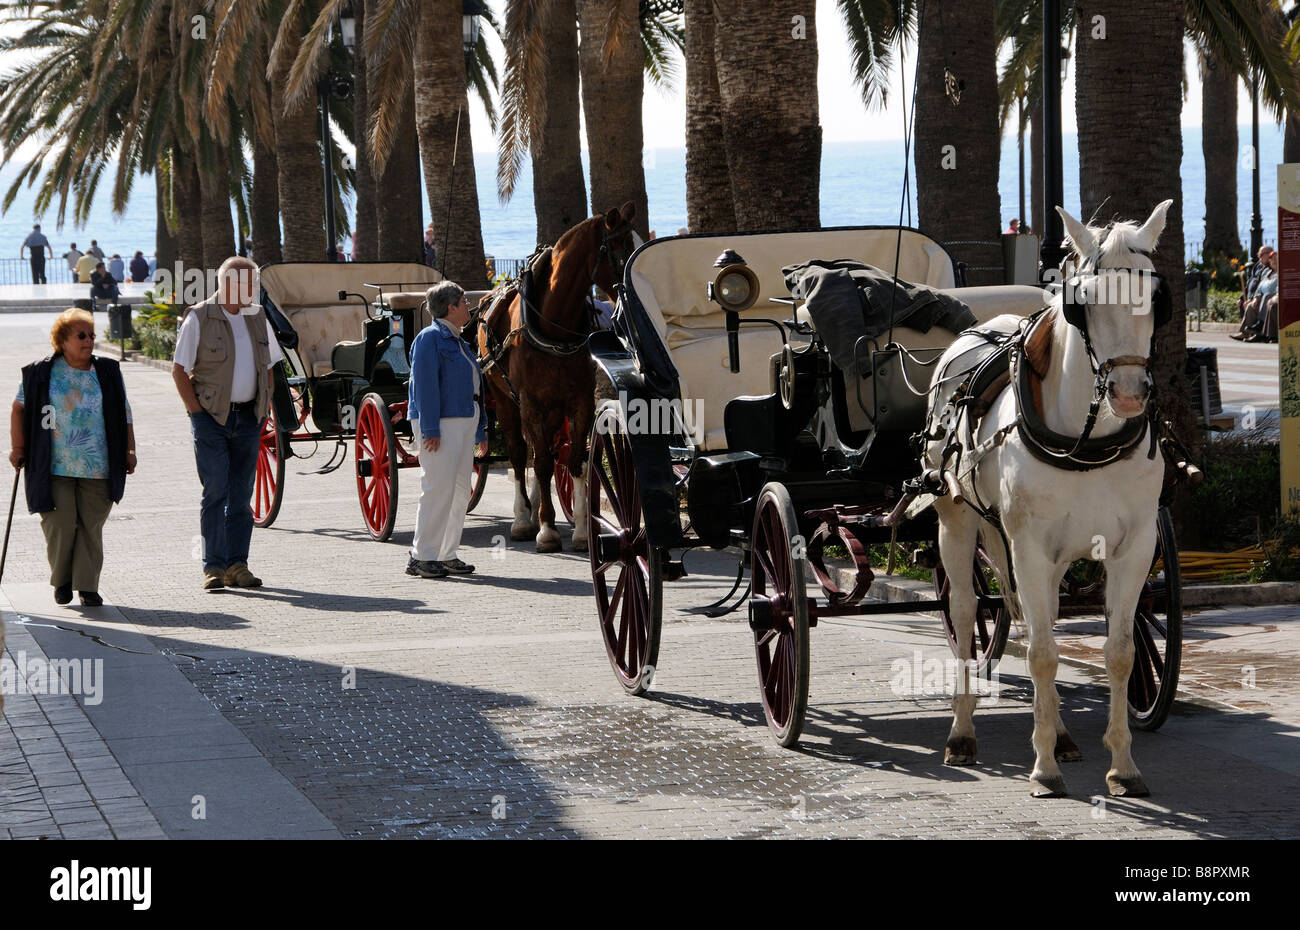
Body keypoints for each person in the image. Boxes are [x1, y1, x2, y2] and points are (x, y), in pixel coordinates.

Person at [171, 256, 284, 591]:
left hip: (248, 418)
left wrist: (263, 408)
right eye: (249, 284)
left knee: (241, 495)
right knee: (215, 492)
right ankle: (214, 568)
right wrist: (196, 413)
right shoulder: (200, 316)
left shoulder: (257, 316)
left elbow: (270, 367)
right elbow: (179, 369)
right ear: (228, 283)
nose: (253, 290)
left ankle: (238, 565)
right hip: (211, 420)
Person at [9, 309, 136, 606]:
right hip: (53, 465)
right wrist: (18, 448)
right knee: (61, 524)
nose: (89, 341)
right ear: (62, 340)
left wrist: (129, 450)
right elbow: (19, 408)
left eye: (91, 335)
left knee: (91, 527)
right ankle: (63, 581)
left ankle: (87, 587)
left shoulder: (106, 371)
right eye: (81, 336)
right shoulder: (41, 373)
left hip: (99, 465)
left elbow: (124, 413)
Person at [405, 281, 488, 579]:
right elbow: (424, 387)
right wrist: (429, 429)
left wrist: (481, 431)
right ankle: (422, 555)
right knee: (437, 489)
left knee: (459, 492)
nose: (468, 306)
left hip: (464, 421)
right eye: (464, 301)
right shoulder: (430, 339)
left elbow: (475, 388)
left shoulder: (458, 341)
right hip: (440, 424)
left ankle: (446, 553)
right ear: (451, 307)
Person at [1233, 247, 1277, 341]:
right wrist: (1255, 298)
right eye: (1271, 260)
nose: (1273, 262)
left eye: (1275, 260)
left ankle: (1260, 326)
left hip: (1272, 298)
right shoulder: (1266, 271)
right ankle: (1249, 333)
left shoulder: (1280, 273)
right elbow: (1258, 287)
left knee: (1266, 298)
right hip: (1262, 299)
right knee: (1250, 306)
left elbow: (1277, 289)